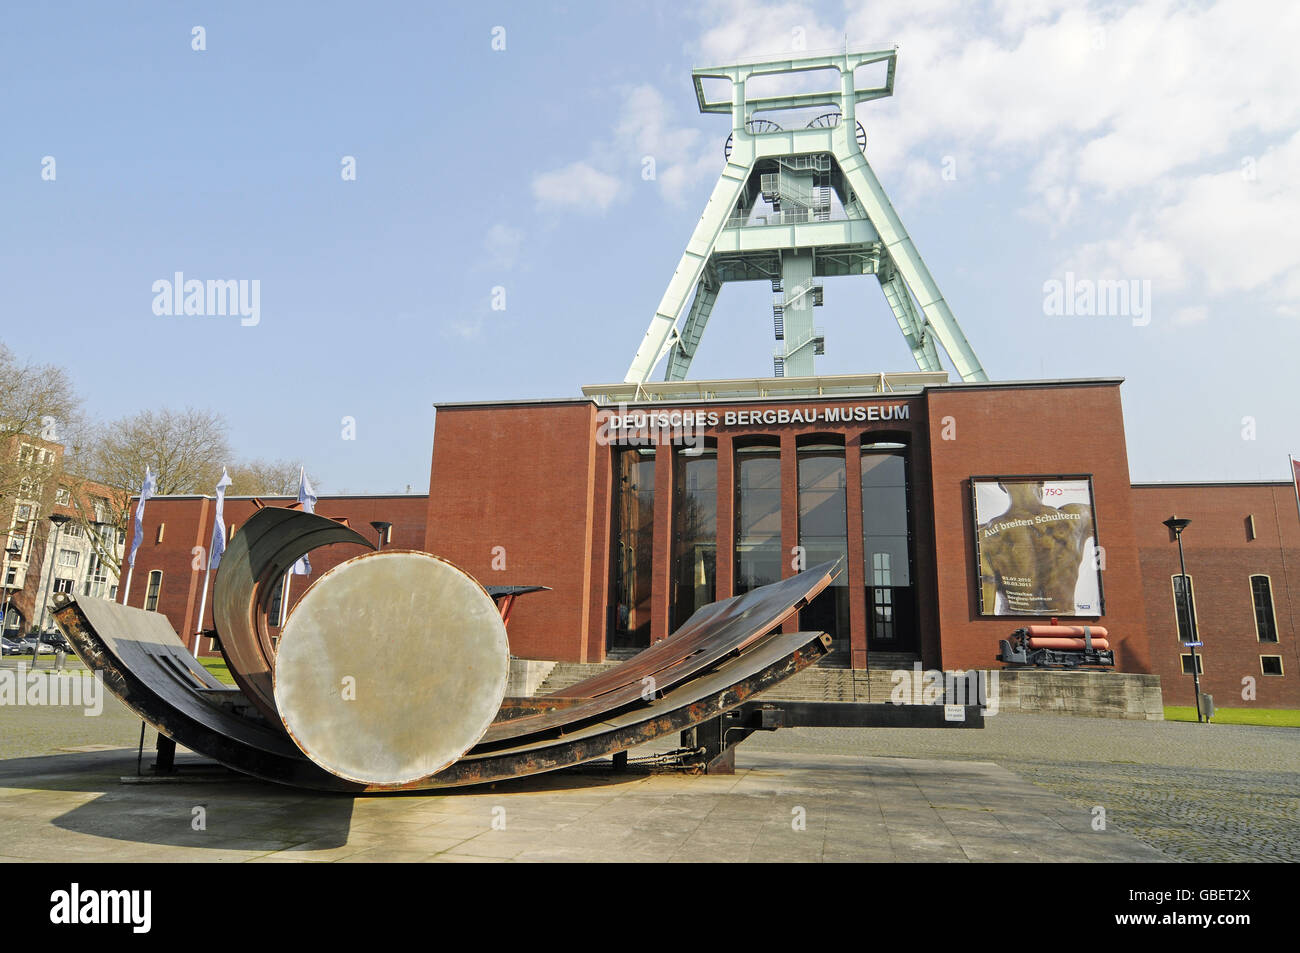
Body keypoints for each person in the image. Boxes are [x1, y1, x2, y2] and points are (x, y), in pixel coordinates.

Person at [977, 481, 1095, 615]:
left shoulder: (984, 536)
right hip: (1063, 624)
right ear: (1041, 483)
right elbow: (1117, 516)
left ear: (1002, 486)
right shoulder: (1078, 516)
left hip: (1015, 626)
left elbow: (986, 613)